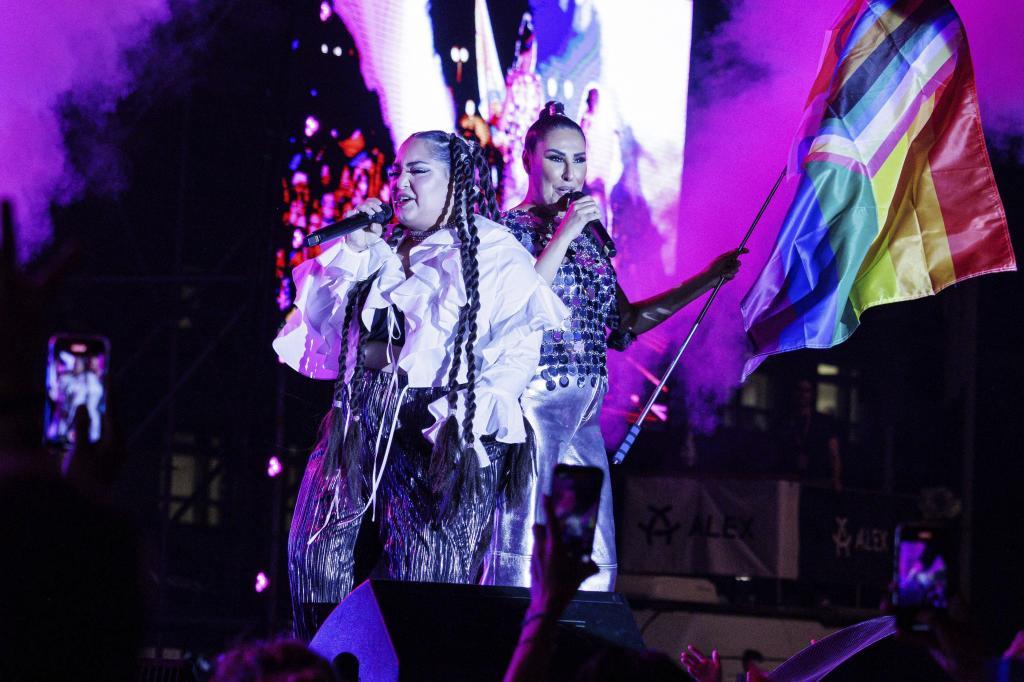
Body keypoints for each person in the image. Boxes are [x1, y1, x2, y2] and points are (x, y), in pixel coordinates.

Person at [274, 131, 567, 639]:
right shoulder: (379, 249)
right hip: (362, 418)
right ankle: (318, 665)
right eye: (395, 171)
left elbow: (519, 352)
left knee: (425, 580)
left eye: (418, 171)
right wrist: (351, 252)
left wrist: (468, 422)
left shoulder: (495, 254)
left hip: (438, 427)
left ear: (455, 182)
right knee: (312, 551)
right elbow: (318, 338)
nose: (400, 183)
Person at [483, 101, 745, 591]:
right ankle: (508, 648)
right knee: (522, 542)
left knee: (597, 559)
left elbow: (625, 324)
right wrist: (565, 232)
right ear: (527, 158)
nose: (570, 173)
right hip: (532, 404)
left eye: (580, 160)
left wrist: (706, 281)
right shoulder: (505, 232)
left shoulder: (589, 241)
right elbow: (519, 306)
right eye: (557, 158)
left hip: (585, 413)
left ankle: (579, 650)